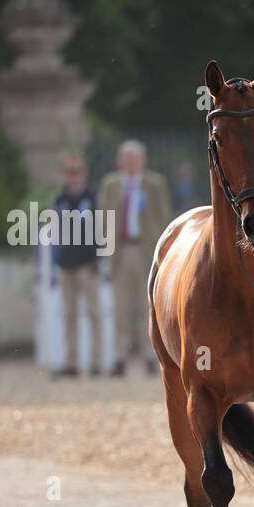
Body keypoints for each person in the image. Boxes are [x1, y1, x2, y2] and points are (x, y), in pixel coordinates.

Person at [98, 140, 172, 377]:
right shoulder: (111, 184)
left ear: (143, 161)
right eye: (126, 159)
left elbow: (165, 217)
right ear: (119, 162)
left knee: (148, 306)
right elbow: (103, 217)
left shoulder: (154, 184)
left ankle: (150, 356)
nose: (130, 163)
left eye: (134, 159)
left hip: (146, 251)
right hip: (120, 251)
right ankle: (120, 357)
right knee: (120, 308)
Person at [51, 154, 102, 378]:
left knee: (93, 313)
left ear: (84, 172)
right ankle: (71, 362)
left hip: (87, 264)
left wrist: (99, 259)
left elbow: (102, 229)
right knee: (69, 314)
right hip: (66, 264)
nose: (73, 176)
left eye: (77, 171)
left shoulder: (92, 198)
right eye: (69, 172)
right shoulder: (60, 199)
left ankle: (96, 362)